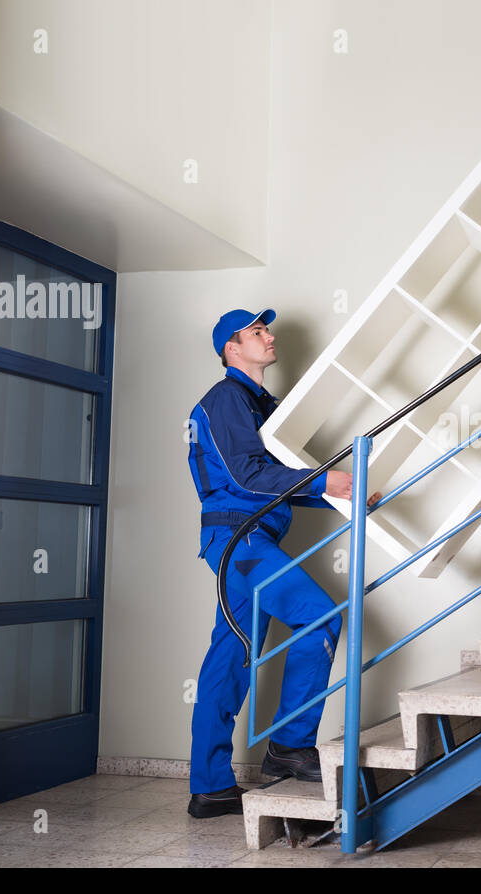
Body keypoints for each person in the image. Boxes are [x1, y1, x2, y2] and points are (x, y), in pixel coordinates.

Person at [184, 307, 381, 818]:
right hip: (239, 542)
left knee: (229, 658)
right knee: (316, 615)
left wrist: (344, 494)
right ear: (232, 347)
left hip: (250, 541)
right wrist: (325, 481)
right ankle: (288, 746)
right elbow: (249, 476)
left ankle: (209, 788)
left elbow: (279, 485)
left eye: (266, 329)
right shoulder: (225, 399)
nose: (269, 337)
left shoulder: (261, 406)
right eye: (258, 331)